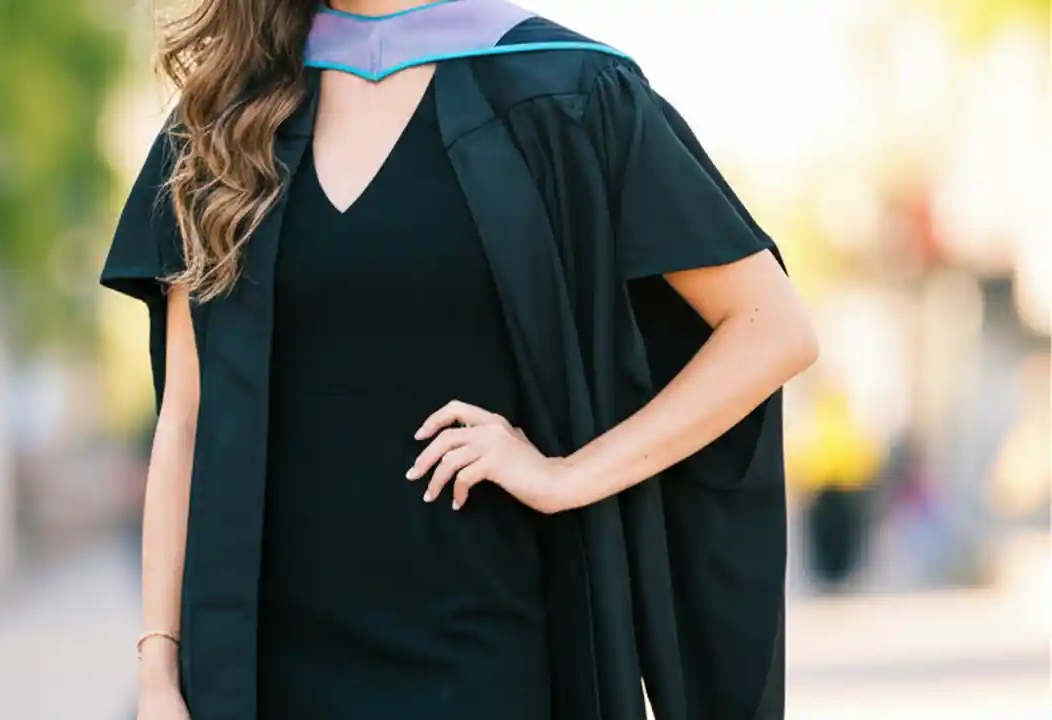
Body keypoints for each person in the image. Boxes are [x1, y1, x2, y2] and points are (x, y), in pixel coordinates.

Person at [100, 1, 819, 719]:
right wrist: (158, 669)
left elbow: (770, 328)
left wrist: (566, 475)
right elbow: (187, 419)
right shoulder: (223, 124)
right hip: (264, 674)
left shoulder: (560, 88)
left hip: (485, 655)